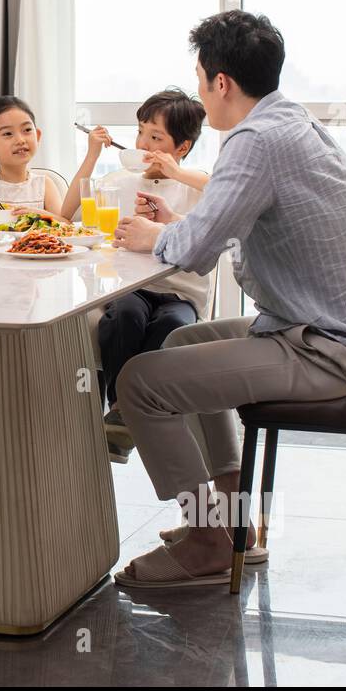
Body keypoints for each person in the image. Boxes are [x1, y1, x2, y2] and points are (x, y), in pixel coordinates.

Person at [109, 10, 346, 589]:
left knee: (140, 381)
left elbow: (193, 252)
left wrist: (154, 235)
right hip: (340, 331)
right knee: (184, 339)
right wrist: (175, 227)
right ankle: (234, 519)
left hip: (326, 348)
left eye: (199, 78)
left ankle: (207, 540)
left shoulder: (255, 140)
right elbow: (225, 222)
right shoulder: (291, 123)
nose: (199, 91)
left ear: (222, 83)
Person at [87, 89, 214, 462]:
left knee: (172, 326)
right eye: (141, 131)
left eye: (156, 137)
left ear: (182, 147)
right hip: (130, 289)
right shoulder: (119, 181)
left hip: (181, 294)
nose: (143, 143)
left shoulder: (196, 185)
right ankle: (122, 410)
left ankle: (129, 416)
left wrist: (177, 173)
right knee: (123, 316)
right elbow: (85, 222)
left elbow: (223, 193)